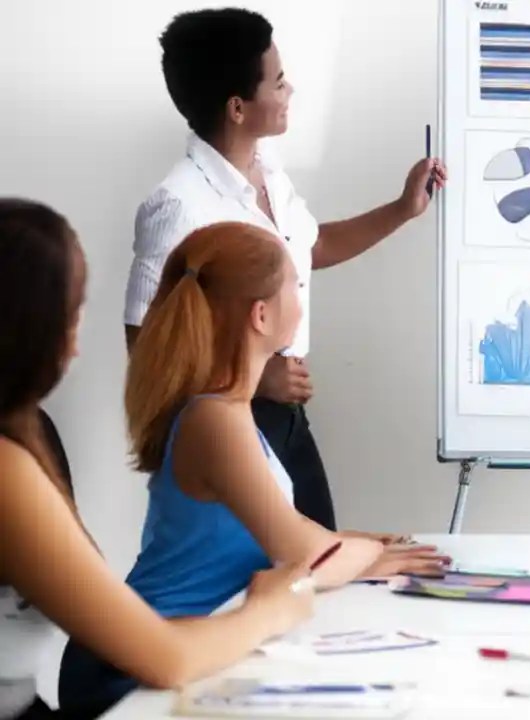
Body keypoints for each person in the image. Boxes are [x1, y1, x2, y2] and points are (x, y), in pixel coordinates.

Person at [61, 223, 445, 717]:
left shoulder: (230, 413)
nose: (301, 302)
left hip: (186, 646)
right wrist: (368, 553)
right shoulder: (214, 420)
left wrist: (371, 546)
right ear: (261, 315)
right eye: (295, 287)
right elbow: (309, 556)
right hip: (133, 668)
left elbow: (297, 534)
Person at [124, 8, 448, 531]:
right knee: (271, 576)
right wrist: (251, 378)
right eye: (277, 81)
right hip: (229, 425)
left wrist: (402, 209)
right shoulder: (178, 206)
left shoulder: (268, 173)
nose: (290, 89)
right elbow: (144, 346)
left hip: (287, 418)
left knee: (314, 573)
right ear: (237, 107)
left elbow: (310, 249)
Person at [0, 199, 314, 720]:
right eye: (71, 317)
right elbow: (166, 657)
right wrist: (270, 610)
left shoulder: (28, 440)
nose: (75, 349)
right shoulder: (9, 469)